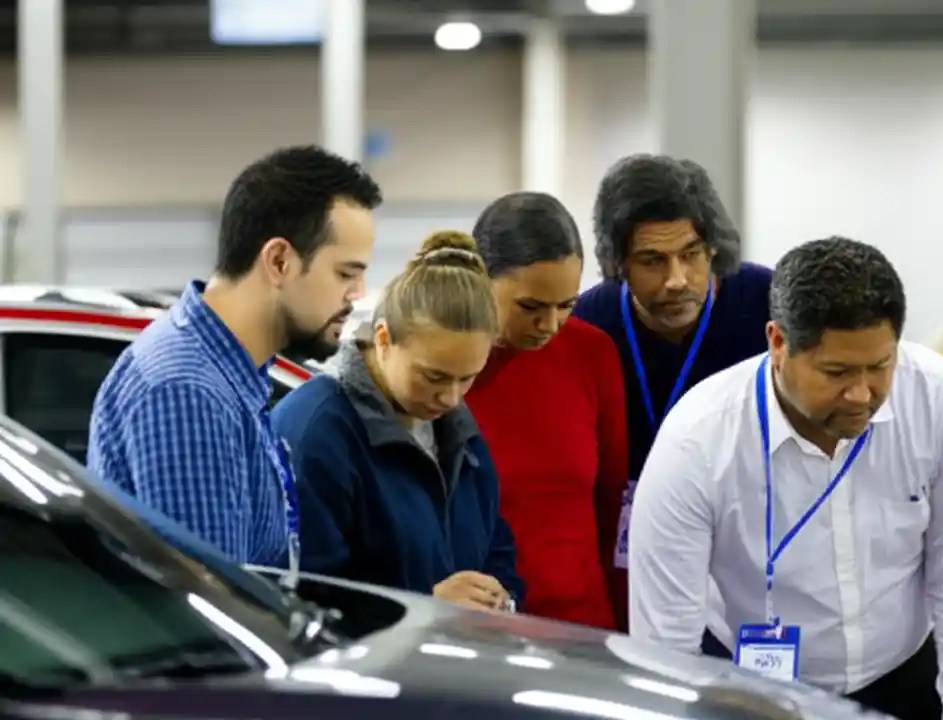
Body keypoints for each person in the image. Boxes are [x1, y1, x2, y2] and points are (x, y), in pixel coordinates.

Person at [627, 237, 943, 720]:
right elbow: (665, 640)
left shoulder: (938, 402)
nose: (861, 393)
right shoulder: (697, 441)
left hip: (900, 675)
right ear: (778, 343)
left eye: (880, 366)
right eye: (837, 371)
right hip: (749, 688)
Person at [88, 144, 381, 567]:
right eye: (346, 274)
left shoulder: (229, 373)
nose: (358, 294)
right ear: (279, 261)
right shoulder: (187, 392)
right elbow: (213, 611)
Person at [270, 231, 524, 613]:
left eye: (467, 377)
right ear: (384, 339)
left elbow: (496, 547)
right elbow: (302, 598)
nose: (452, 398)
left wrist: (502, 599)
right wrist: (424, 606)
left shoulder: (454, 427)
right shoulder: (316, 433)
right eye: (434, 376)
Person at [571, 154, 774, 623]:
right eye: (652, 261)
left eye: (692, 255)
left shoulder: (767, 306)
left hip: (752, 557)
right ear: (617, 261)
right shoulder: (588, 326)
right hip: (634, 562)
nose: (676, 281)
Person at [463, 192, 629, 629]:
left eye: (567, 305)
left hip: (586, 626)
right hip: (482, 628)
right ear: (481, 279)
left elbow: (612, 504)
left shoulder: (592, 353)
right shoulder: (446, 370)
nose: (550, 326)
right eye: (531, 307)